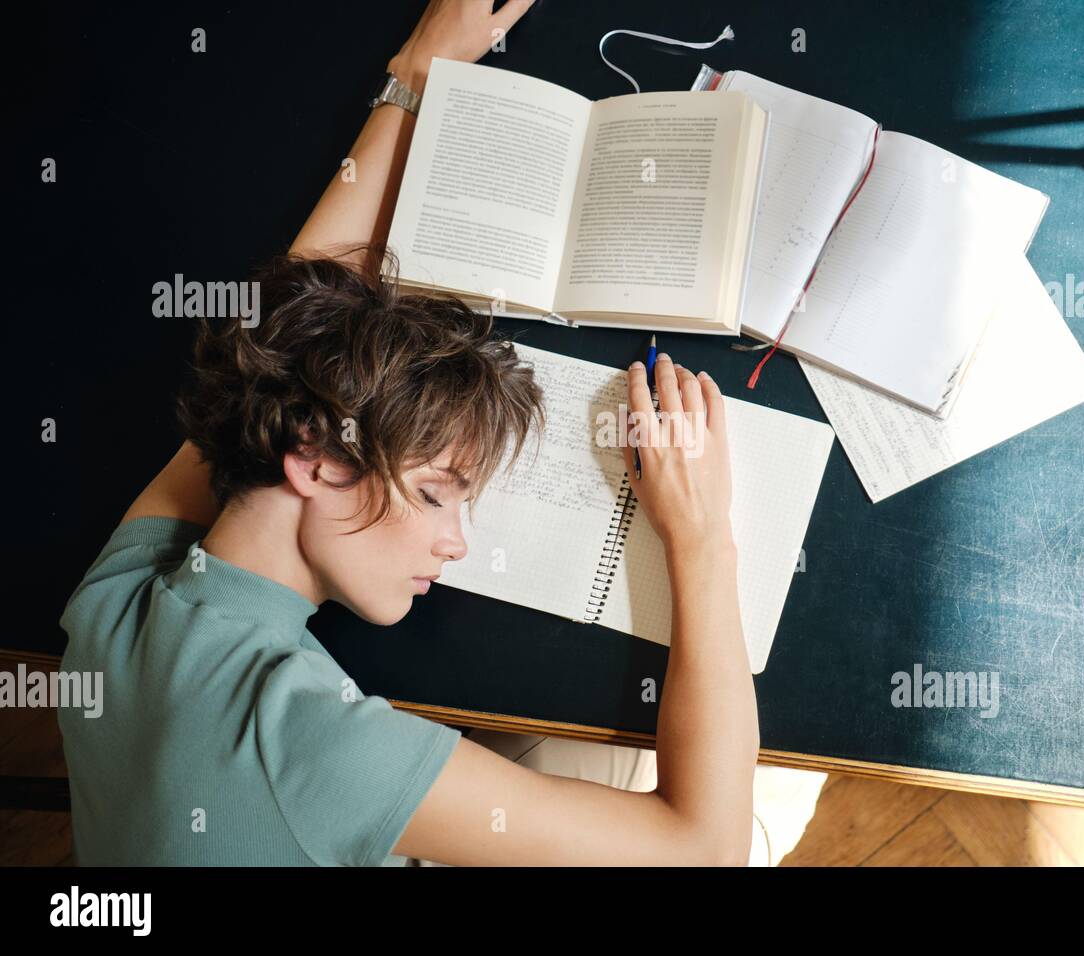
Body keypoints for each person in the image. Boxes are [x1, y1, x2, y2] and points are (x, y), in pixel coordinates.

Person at [58, 0, 825, 867]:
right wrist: (701, 536)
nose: (457, 543)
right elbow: (704, 851)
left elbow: (284, 331)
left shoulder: (115, 605)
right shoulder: (315, 749)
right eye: (434, 495)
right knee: (785, 778)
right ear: (313, 457)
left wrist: (415, 73)